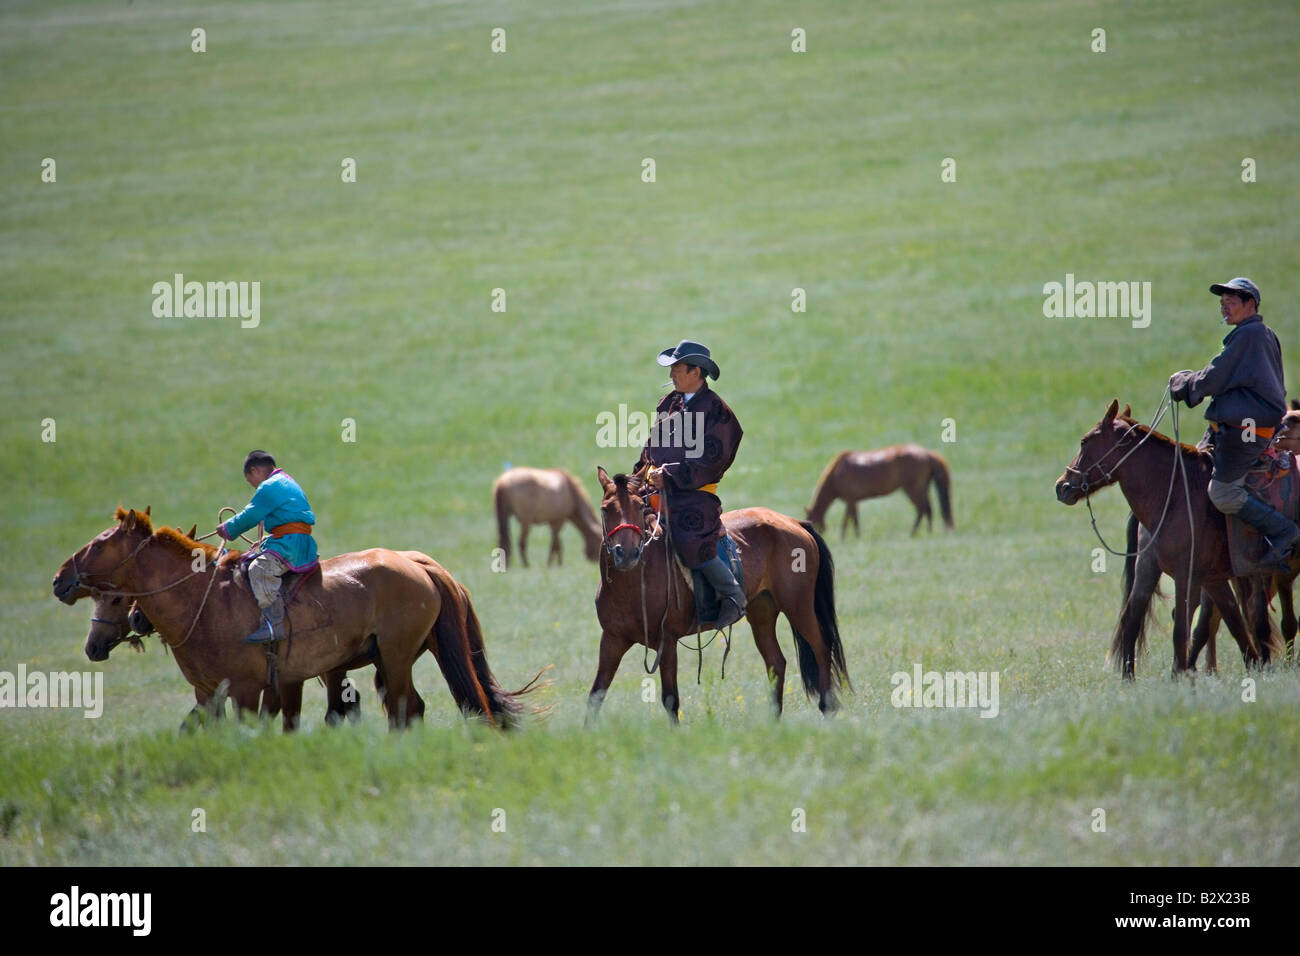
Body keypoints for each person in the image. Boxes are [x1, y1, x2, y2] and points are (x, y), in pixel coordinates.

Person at [1169, 276, 1297, 569]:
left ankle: (1283, 532)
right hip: (1236, 429)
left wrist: (1187, 385)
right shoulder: (1259, 334)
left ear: (1250, 304)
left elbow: (1217, 374)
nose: (1224, 309)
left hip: (1246, 433)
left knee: (1222, 493)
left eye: (1231, 303)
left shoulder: (1249, 336)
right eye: (1222, 304)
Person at [635, 340, 746, 628]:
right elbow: (651, 448)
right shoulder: (668, 404)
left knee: (689, 539)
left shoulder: (718, 413)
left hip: (693, 496)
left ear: (696, 372)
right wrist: (637, 479)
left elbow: (712, 460)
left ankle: (732, 596)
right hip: (657, 490)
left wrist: (669, 475)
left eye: (677, 369)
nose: (671, 375)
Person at [216, 450, 318, 643]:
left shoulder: (269, 487)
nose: (253, 486)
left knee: (259, 569)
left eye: (250, 481)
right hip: (293, 540)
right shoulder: (285, 481)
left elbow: (251, 515)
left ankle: (273, 625)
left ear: (255, 471)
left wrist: (227, 528)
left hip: (290, 544)